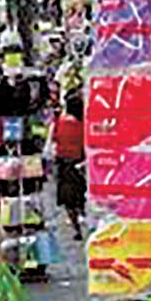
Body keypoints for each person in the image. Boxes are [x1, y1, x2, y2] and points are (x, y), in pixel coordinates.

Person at [51, 88, 87, 234]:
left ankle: (75, 226)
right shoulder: (84, 125)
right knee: (80, 195)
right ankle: (83, 217)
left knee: (68, 199)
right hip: (80, 163)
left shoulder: (60, 122)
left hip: (64, 164)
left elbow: (55, 139)